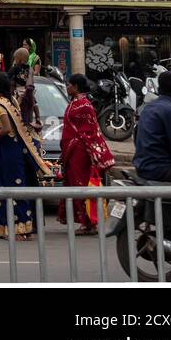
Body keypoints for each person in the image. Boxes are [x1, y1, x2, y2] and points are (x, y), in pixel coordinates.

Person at [0, 71, 51, 238]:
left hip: (7, 151)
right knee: (6, 187)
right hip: (11, 150)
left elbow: (7, 129)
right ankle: (0, 225)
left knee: (10, 187)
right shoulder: (11, 101)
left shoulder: (1, 105)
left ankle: (21, 227)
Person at [58, 74, 116, 234]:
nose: (67, 87)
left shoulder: (84, 106)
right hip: (72, 151)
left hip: (81, 153)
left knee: (81, 186)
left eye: (69, 85)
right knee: (73, 185)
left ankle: (89, 223)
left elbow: (90, 132)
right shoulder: (75, 103)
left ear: (76, 87)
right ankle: (85, 222)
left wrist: (94, 154)